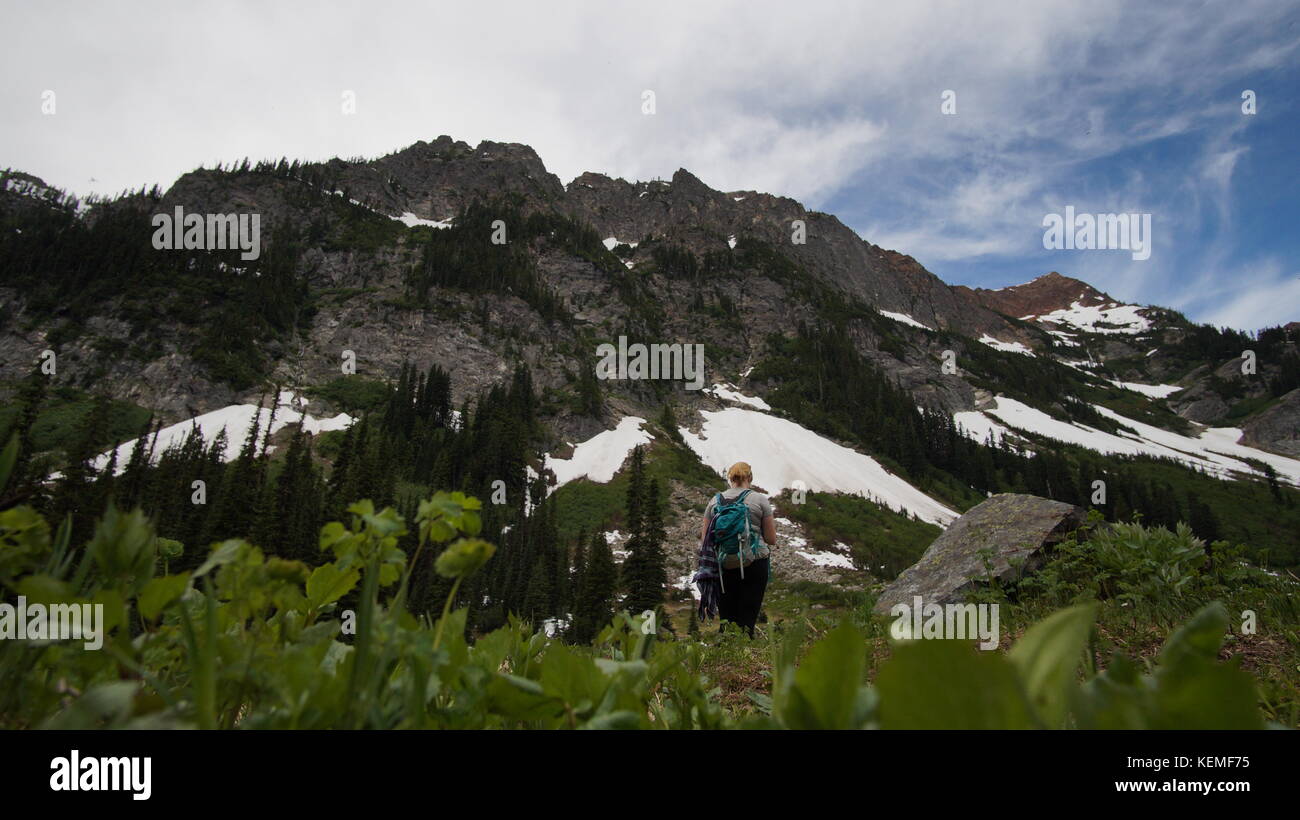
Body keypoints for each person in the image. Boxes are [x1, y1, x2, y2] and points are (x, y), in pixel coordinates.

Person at [695, 461, 778, 637]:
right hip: (754, 562)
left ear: (730, 478)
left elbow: (705, 541)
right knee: (747, 619)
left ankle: (726, 656)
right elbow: (771, 539)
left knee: (727, 619)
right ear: (749, 478)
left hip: (724, 565)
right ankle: (746, 657)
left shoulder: (714, 501)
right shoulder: (760, 499)